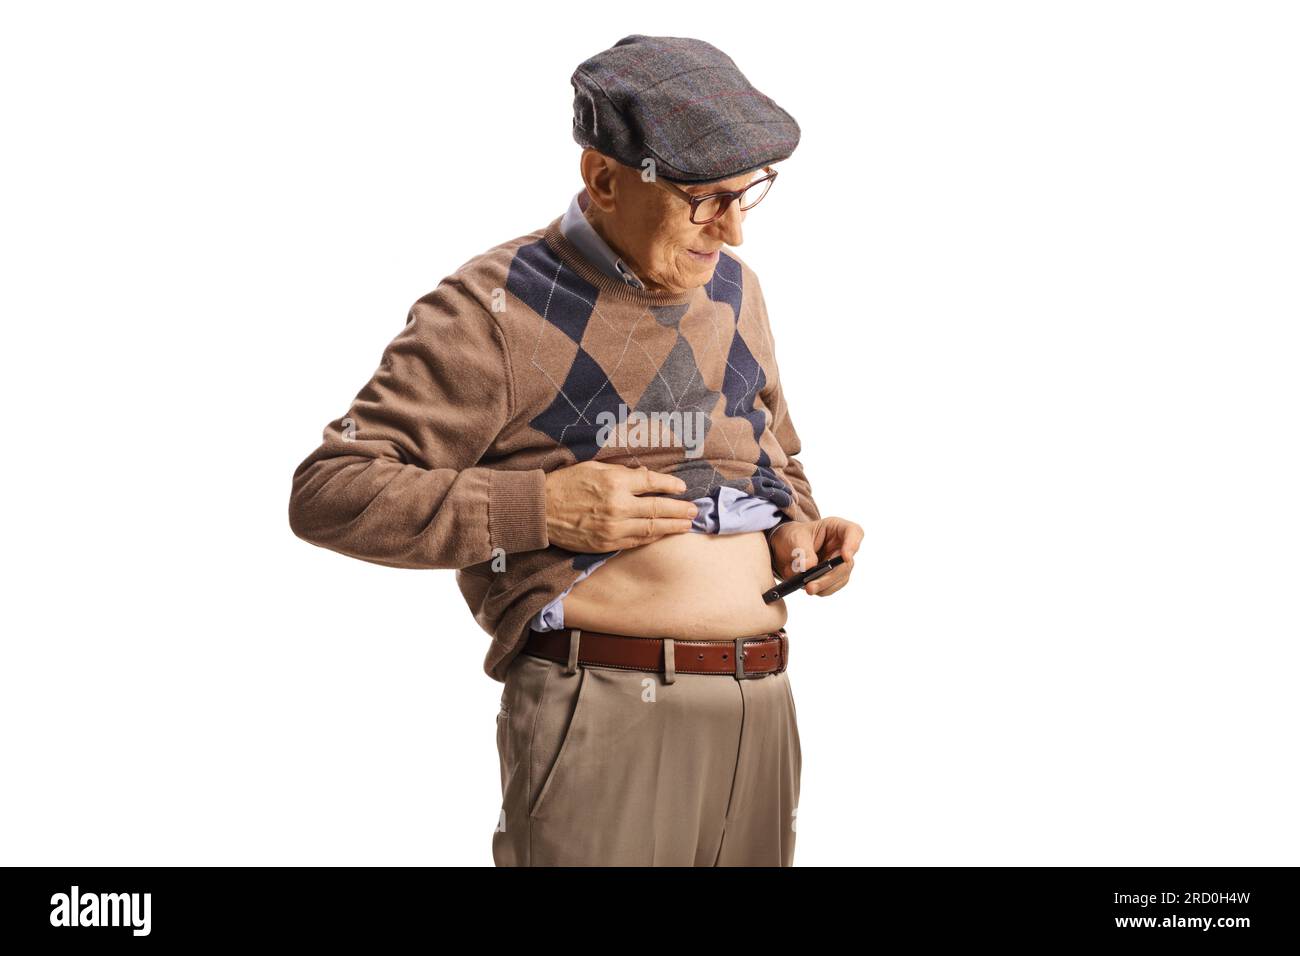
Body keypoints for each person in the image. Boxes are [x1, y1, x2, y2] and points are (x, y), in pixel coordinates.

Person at [288, 34, 862, 866]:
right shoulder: (491, 307)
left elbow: (771, 449)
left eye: (747, 194)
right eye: (705, 199)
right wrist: (543, 508)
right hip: (606, 708)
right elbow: (330, 490)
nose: (734, 231)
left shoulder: (734, 289)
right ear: (604, 179)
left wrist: (799, 530)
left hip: (763, 710)